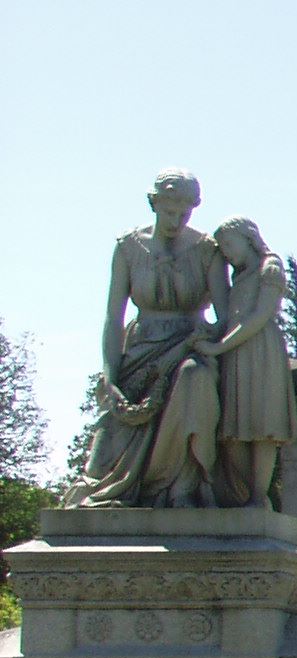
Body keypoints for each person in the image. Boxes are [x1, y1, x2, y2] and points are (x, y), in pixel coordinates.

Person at [62, 171, 226, 508]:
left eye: (184, 213)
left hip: (191, 346)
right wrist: (110, 376)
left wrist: (209, 342)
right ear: (154, 204)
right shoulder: (128, 247)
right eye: (169, 212)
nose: (176, 221)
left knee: (193, 379)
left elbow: (225, 316)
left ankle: (179, 487)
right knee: (108, 439)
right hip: (141, 350)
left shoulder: (207, 250)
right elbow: (113, 318)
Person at [206, 216, 297, 509]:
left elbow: (260, 316)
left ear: (247, 238)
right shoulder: (239, 276)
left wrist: (218, 346)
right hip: (236, 352)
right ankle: (248, 494)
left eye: (229, 244)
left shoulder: (270, 267)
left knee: (262, 428)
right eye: (222, 248)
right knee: (234, 430)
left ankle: (259, 496)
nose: (226, 253)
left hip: (261, 351)